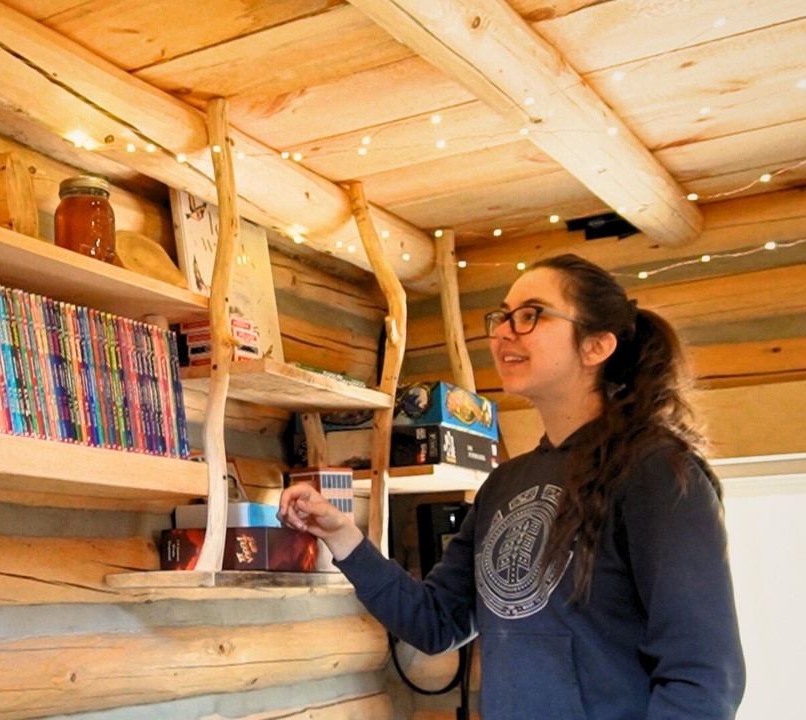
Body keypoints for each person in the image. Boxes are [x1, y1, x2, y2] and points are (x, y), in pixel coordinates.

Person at [279, 254, 745, 719]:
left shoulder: (658, 472)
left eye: (530, 316)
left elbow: (703, 678)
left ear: (596, 346)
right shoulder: (503, 483)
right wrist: (342, 536)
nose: (502, 332)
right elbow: (436, 622)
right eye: (502, 316)